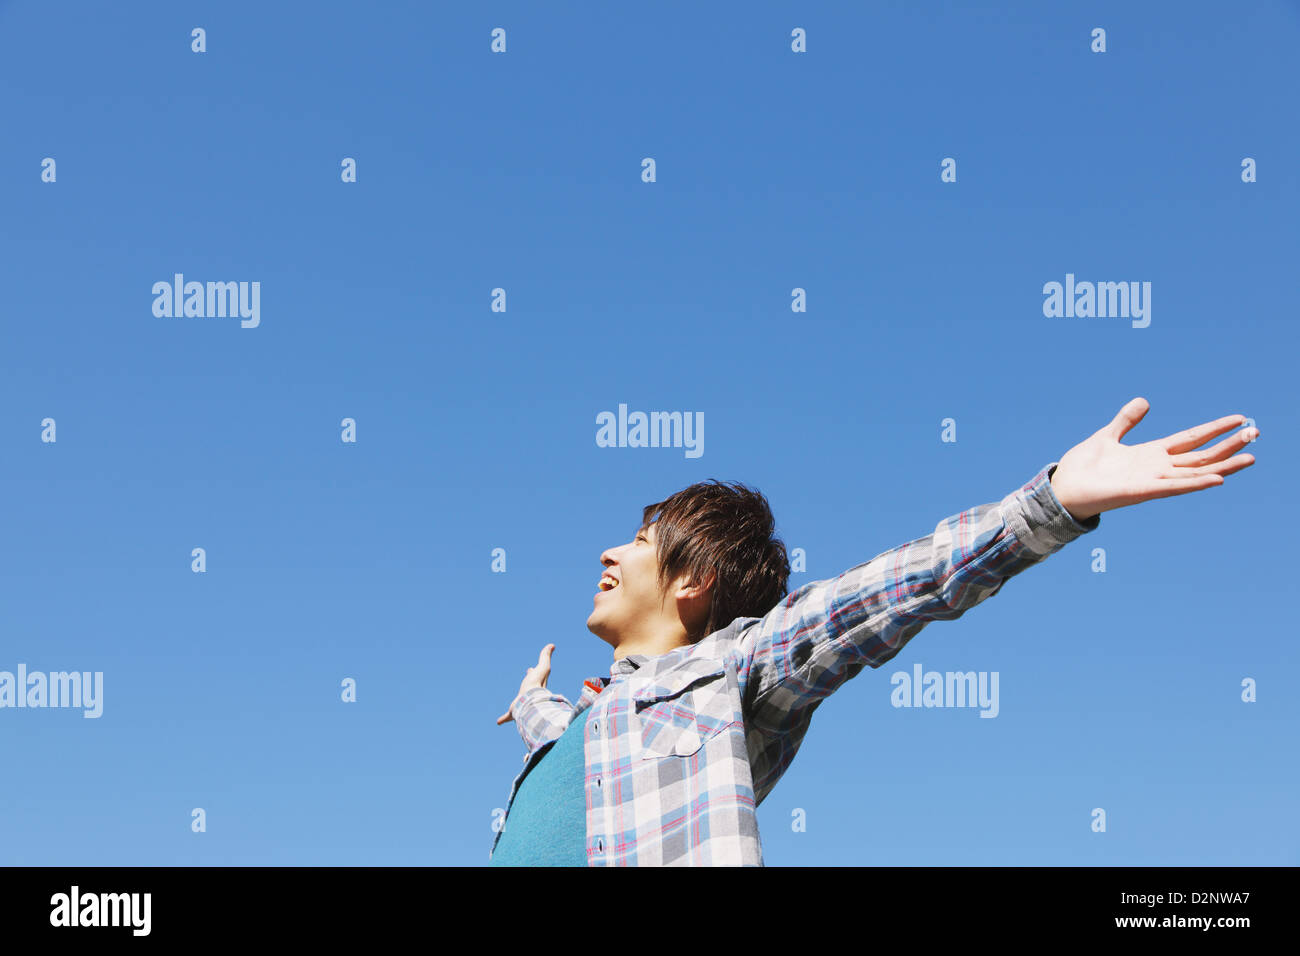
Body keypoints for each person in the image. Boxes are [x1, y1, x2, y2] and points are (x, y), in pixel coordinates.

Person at [489, 397, 1259, 866]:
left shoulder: (734, 674)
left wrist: (1050, 503)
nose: (609, 551)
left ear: (693, 583)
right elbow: (558, 737)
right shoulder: (582, 723)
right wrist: (532, 704)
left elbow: (874, 599)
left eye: (641, 541)